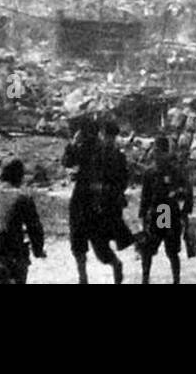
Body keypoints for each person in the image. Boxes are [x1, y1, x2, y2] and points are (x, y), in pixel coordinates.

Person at [63, 116, 131, 284]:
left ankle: (115, 265)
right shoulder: (82, 147)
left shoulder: (108, 152)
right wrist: (73, 144)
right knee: (77, 239)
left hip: (97, 201)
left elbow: (120, 180)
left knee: (99, 243)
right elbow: (66, 162)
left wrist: (106, 190)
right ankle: (83, 278)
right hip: (81, 198)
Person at [137, 135, 194, 284]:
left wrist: (185, 214)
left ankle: (176, 280)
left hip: (167, 212)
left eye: (158, 151)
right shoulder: (150, 173)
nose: (155, 154)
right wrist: (142, 218)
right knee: (148, 250)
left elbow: (188, 192)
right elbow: (145, 197)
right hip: (157, 212)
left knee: (171, 251)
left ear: (165, 152)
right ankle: (145, 279)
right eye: (155, 151)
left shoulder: (174, 171)